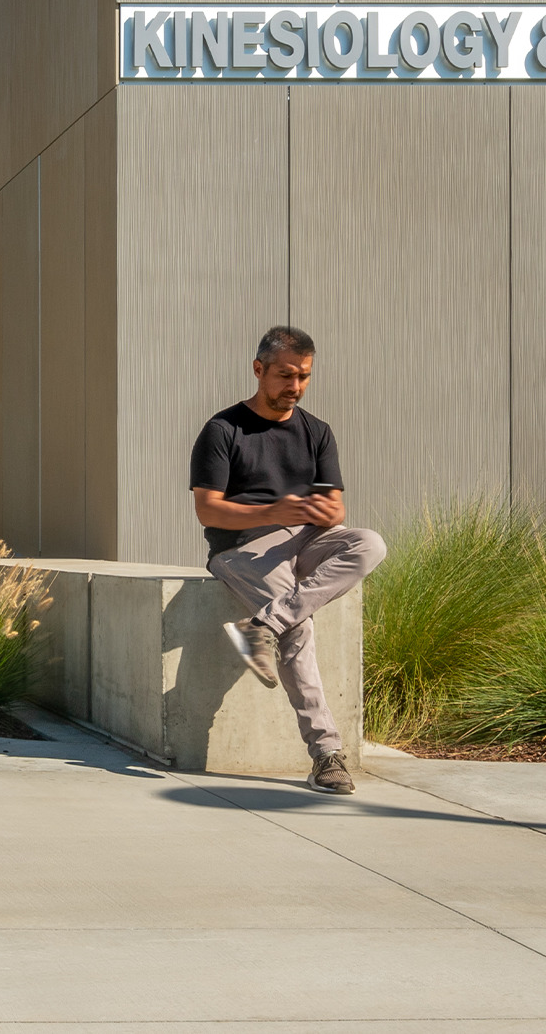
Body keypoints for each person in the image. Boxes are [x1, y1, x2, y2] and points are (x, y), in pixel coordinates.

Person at [190, 323, 385, 794]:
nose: (293, 386)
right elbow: (206, 510)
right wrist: (275, 510)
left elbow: (336, 506)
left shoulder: (317, 431)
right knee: (301, 625)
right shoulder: (223, 429)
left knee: (370, 542)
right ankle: (326, 755)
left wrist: (323, 510)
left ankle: (262, 626)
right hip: (241, 550)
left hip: (306, 540)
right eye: (284, 375)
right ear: (259, 370)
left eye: (303, 376)